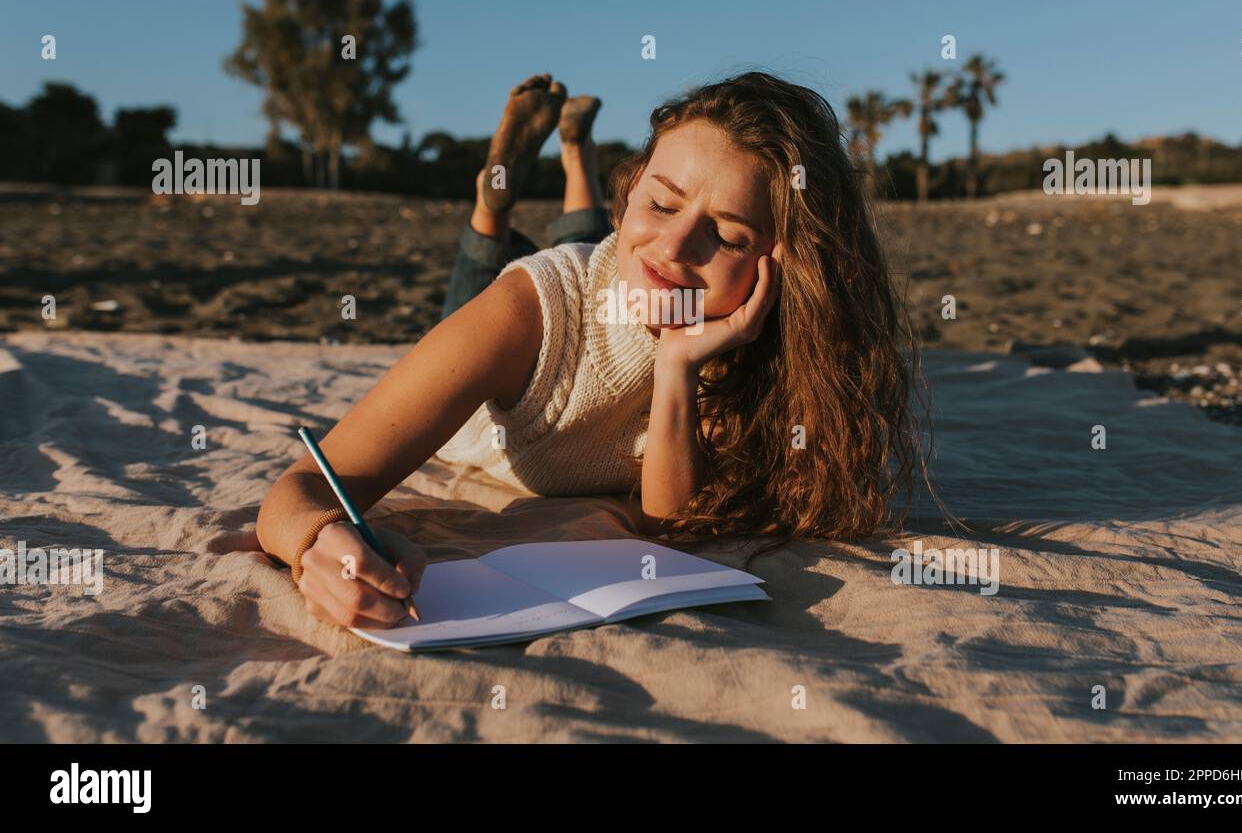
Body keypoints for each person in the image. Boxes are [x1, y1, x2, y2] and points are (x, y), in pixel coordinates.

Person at [256, 69, 938, 632]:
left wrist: (677, 365)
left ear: (785, 268)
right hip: (515, 353)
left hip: (608, 278)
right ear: (632, 188)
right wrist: (317, 543)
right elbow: (303, 486)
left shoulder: (750, 349)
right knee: (483, 283)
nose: (674, 249)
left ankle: (570, 156)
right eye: (661, 204)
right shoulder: (530, 310)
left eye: (728, 237)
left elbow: (676, 521)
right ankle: (491, 208)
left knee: (608, 252)